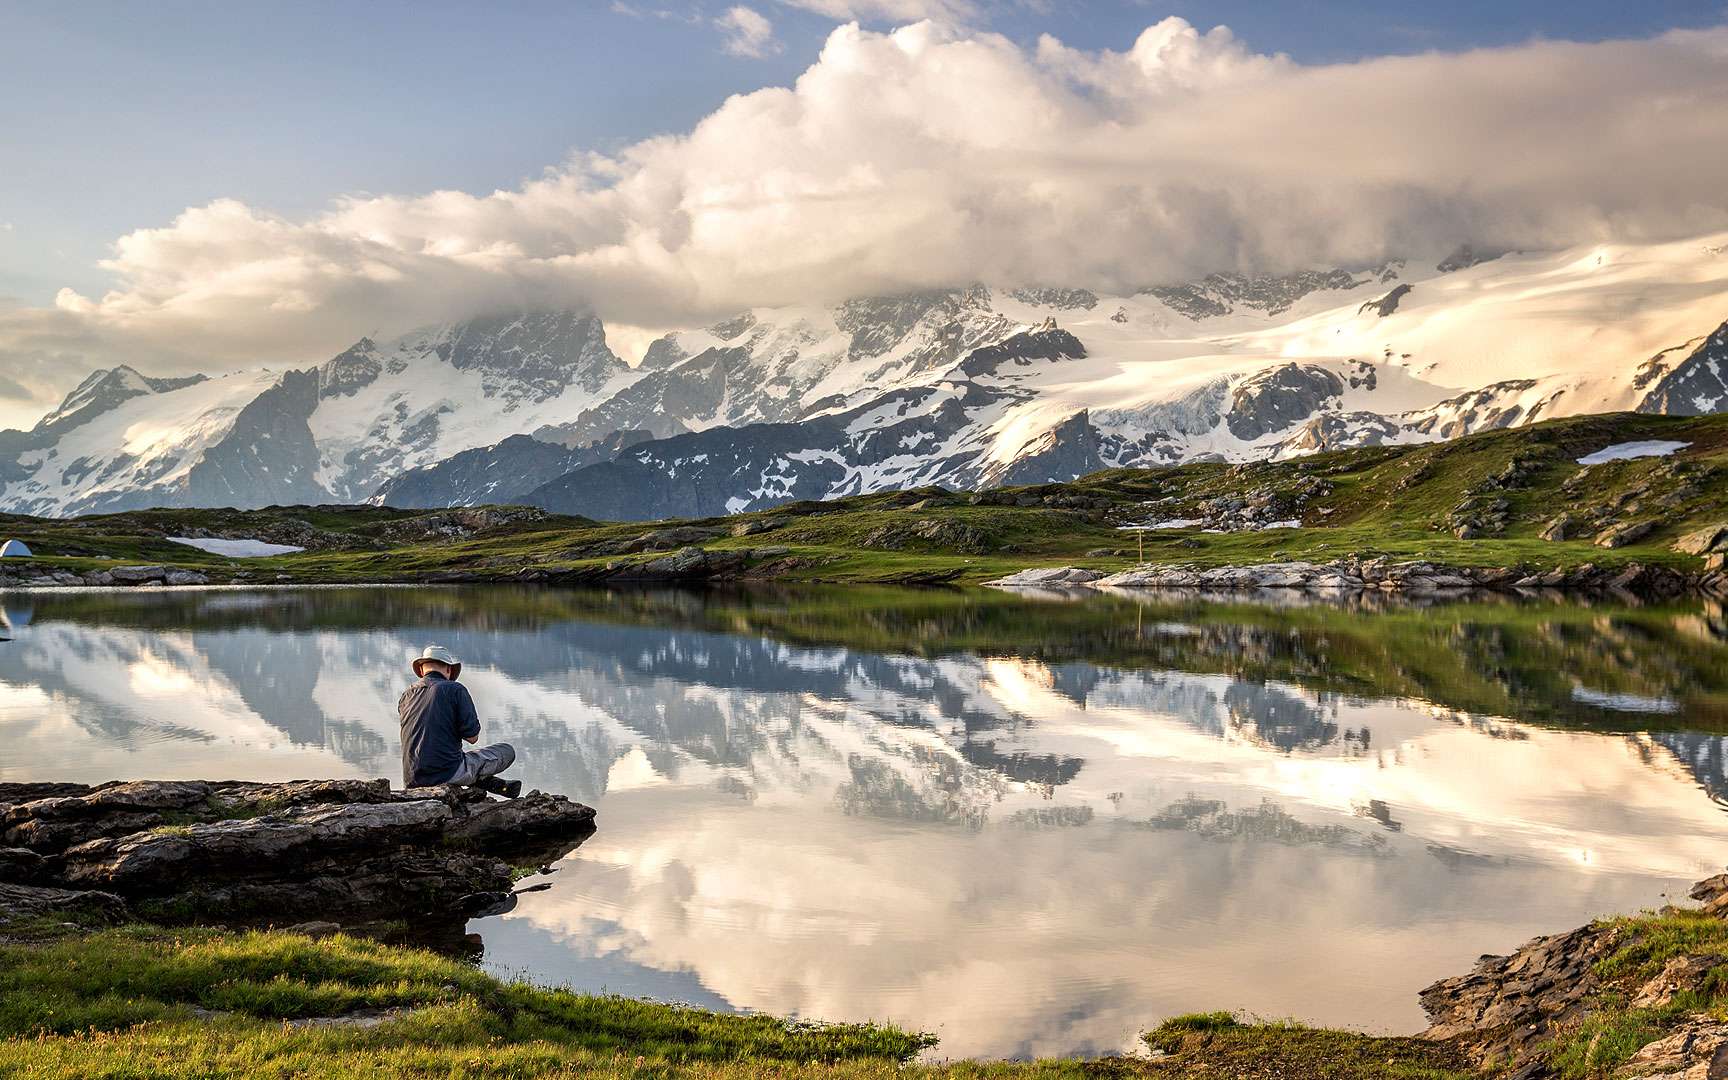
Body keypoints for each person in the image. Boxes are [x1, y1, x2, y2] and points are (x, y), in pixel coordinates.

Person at [398, 645, 521, 798]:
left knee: (458, 759)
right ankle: (482, 780)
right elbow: (472, 737)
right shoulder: (455, 690)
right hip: (447, 773)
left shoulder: (406, 695)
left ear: (422, 670)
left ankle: (494, 784)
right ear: (449, 670)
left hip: (411, 779)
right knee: (507, 751)